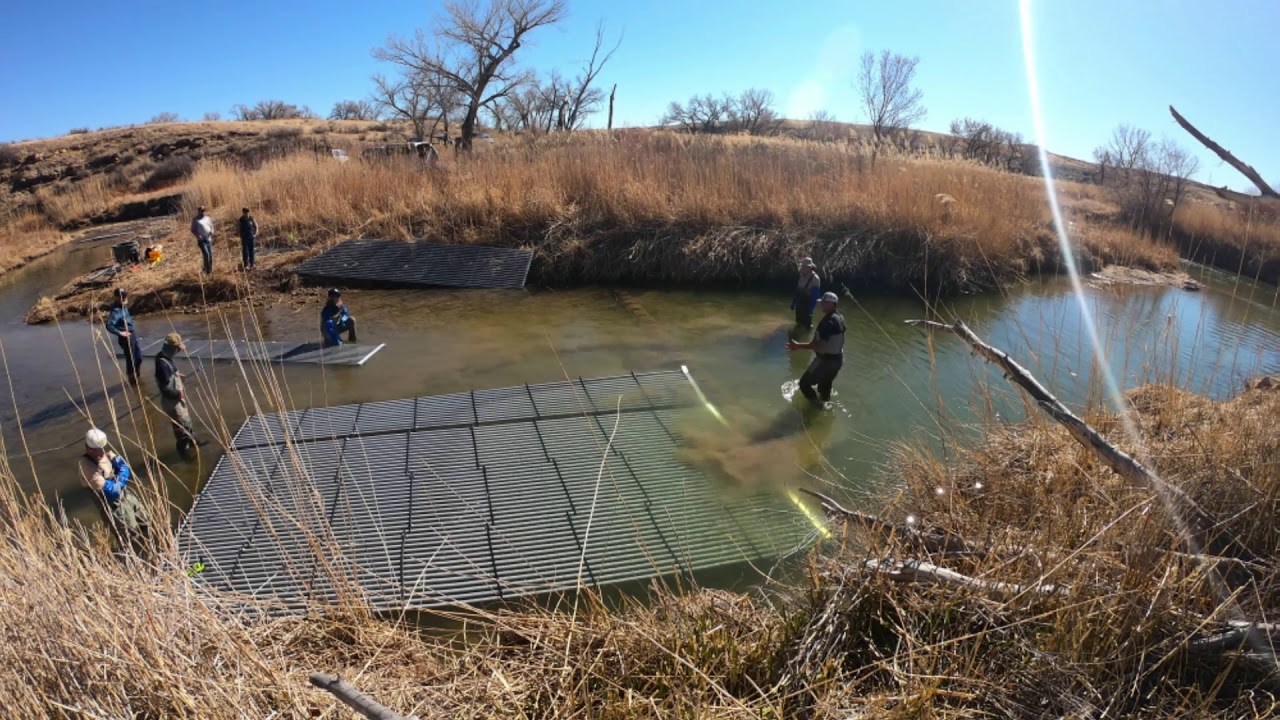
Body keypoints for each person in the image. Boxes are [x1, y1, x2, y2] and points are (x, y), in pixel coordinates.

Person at [79, 427, 149, 551]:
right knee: (131, 535)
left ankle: (152, 546)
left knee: (145, 520)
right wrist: (122, 475)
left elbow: (125, 466)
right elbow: (112, 491)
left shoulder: (105, 453)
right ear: (89, 449)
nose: (102, 452)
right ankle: (134, 556)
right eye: (98, 450)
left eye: (102, 448)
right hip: (114, 507)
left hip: (126, 495)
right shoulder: (87, 467)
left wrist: (121, 474)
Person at [785, 291, 846, 407]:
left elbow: (819, 345)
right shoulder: (840, 317)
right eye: (822, 302)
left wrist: (798, 346)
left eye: (824, 302)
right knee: (824, 386)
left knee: (804, 384)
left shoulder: (828, 322)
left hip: (825, 361)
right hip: (838, 360)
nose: (821, 304)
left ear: (832, 304)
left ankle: (817, 408)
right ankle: (826, 407)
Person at [155, 332, 197, 456]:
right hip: (173, 403)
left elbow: (169, 375)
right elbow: (164, 389)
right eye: (177, 349)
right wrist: (178, 395)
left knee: (187, 423)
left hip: (176, 400)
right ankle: (184, 453)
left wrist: (177, 375)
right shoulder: (162, 365)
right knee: (182, 429)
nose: (178, 351)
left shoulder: (163, 357)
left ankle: (192, 442)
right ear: (171, 348)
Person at [105, 288, 142, 384]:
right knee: (131, 360)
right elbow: (109, 325)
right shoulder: (116, 311)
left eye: (125, 296)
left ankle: (138, 377)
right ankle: (133, 382)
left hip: (132, 334)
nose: (124, 298)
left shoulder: (123, 306)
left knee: (138, 358)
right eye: (121, 296)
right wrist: (120, 333)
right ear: (116, 297)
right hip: (126, 337)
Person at [790, 258, 822, 329]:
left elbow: (815, 296)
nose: (802, 268)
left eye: (804, 267)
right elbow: (798, 289)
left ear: (810, 268)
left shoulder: (815, 278)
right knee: (798, 321)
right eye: (802, 266)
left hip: (808, 302)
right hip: (800, 300)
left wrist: (810, 309)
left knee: (807, 325)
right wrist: (793, 302)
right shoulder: (801, 276)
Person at [190, 206, 214, 274]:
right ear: (198, 211)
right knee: (206, 254)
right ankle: (206, 271)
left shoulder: (208, 218)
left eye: (204, 210)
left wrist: (212, 231)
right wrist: (198, 235)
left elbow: (211, 227)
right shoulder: (195, 220)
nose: (203, 212)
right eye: (201, 210)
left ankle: (209, 270)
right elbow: (193, 230)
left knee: (210, 255)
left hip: (208, 239)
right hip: (201, 240)